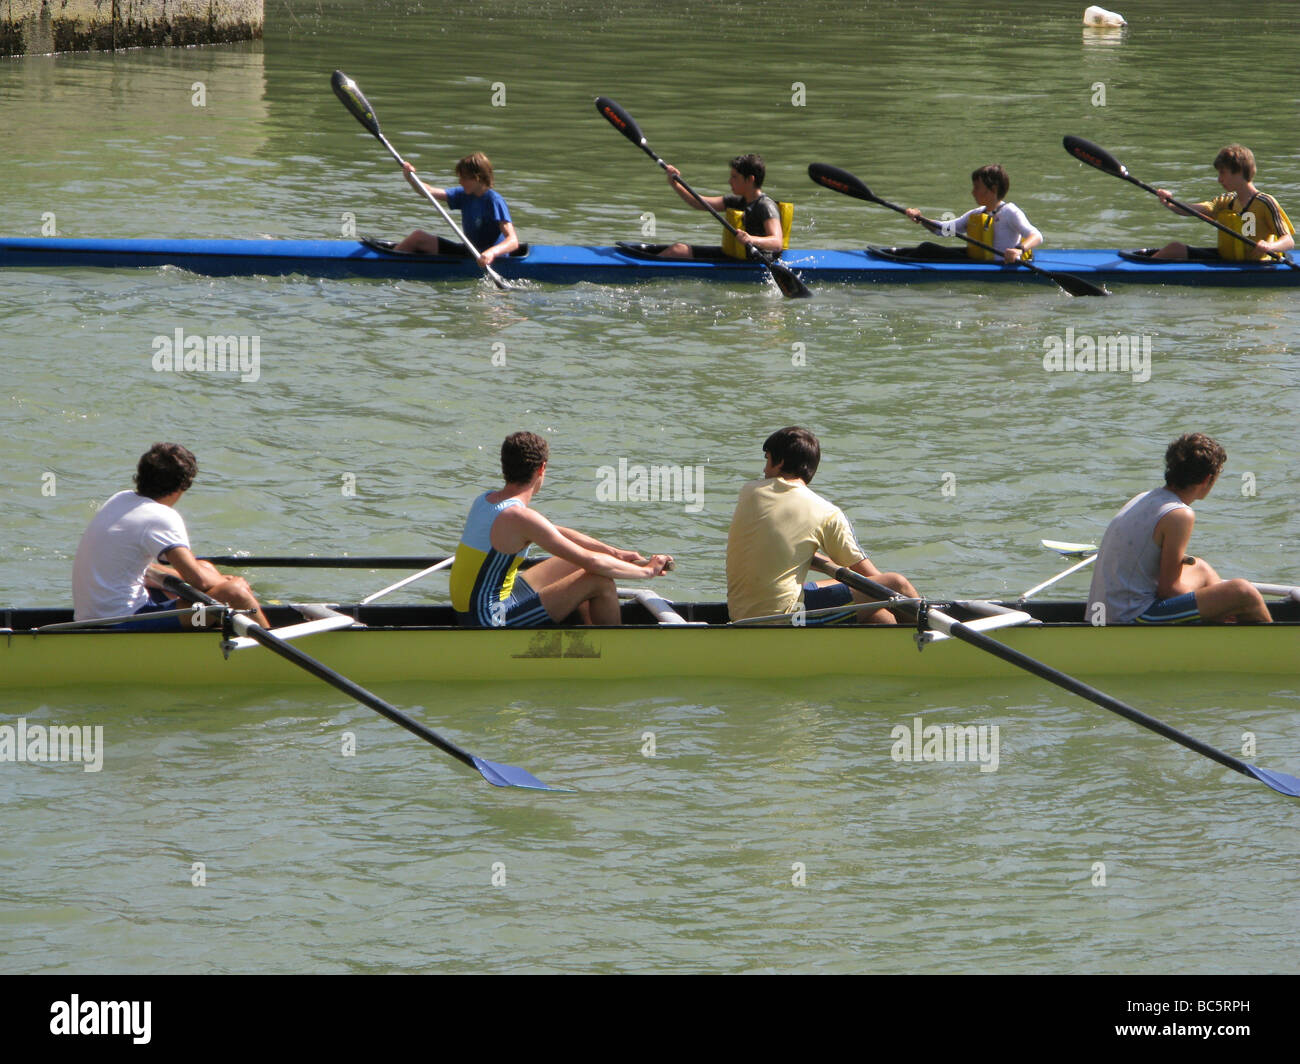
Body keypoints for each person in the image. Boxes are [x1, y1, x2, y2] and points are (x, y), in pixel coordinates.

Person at [450, 432, 673, 627]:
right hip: (489, 618)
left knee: (581, 561)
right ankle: (613, 654)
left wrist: (614, 553)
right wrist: (648, 571)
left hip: (490, 601)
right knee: (599, 580)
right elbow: (593, 563)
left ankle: (587, 629)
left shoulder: (487, 500)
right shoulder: (519, 517)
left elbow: (554, 532)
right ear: (542, 468)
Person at [725, 427, 919, 624]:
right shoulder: (826, 512)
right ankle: (932, 637)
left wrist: (808, 555)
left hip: (740, 613)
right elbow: (875, 580)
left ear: (781, 462)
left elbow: (775, 546)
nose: (765, 470)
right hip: (785, 617)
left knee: (877, 615)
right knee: (896, 584)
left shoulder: (749, 492)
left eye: (767, 460)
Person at [72, 443, 268, 630]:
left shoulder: (120, 499)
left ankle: (216, 627)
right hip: (122, 622)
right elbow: (200, 582)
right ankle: (274, 653)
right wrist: (224, 585)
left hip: (89, 616)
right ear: (181, 488)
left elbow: (149, 569)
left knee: (206, 567)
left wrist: (214, 579)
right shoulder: (161, 516)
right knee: (235, 593)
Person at [1086, 433, 1270, 625]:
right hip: (1132, 617)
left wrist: (1211, 603)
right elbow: (1168, 590)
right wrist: (1213, 604)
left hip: (1103, 614)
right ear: (1208, 479)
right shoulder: (1180, 514)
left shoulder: (1144, 497)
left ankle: (1225, 627)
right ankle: (1276, 648)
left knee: (1200, 568)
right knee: (1243, 592)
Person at [1149, 144, 1295, 261]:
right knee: (1175, 248)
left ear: (1238, 172)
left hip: (1258, 265)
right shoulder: (1226, 201)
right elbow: (1193, 210)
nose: (1219, 179)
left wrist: (1270, 246)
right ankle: (1141, 271)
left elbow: (1288, 241)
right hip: (1226, 260)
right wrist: (1169, 202)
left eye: (1223, 173)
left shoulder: (1265, 202)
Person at [393, 152, 520, 267]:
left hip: (491, 260)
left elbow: (513, 241)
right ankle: (388, 261)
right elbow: (429, 191)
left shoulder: (494, 201)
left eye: (463, 178)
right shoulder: (464, 194)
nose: (460, 182)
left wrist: (491, 253)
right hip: (470, 252)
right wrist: (410, 179)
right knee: (418, 237)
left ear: (478, 178)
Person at [903, 164, 1042, 263]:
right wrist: (921, 219)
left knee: (926, 249)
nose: (972, 192)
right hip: (977, 262)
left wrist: (1019, 250)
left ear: (992, 189)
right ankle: (898, 259)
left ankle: (900, 265)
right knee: (927, 248)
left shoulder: (1010, 212)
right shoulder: (975, 214)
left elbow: (1036, 236)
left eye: (977, 187)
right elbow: (943, 230)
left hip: (1001, 266)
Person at [657, 153, 785, 260]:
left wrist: (751, 239)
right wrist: (674, 184)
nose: (730, 181)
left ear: (750, 179)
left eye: (735, 177)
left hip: (757, 261)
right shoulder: (736, 201)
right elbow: (698, 202)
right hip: (735, 257)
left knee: (677, 251)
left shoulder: (766, 206)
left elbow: (777, 243)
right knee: (679, 250)